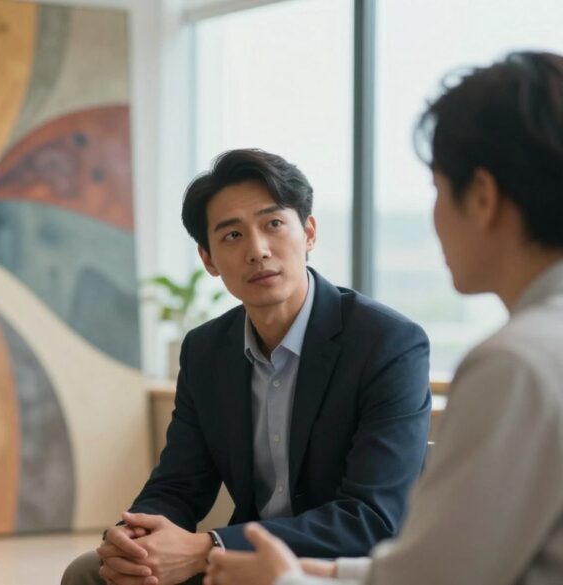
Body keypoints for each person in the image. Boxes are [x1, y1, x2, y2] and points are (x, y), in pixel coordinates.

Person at [205, 50, 563, 585]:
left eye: (437, 189)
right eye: (233, 234)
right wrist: (323, 572)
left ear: (482, 198)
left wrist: (285, 581)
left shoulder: (515, 363)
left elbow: (439, 579)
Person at [62, 149, 432, 585]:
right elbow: (179, 484)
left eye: (273, 224)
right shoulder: (205, 351)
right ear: (209, 259)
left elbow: (371, 519)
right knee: (93, 572)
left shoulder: (387, 344)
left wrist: (209, 548)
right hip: (240, 565)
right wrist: (134, 540)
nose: (257, 250)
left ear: (309, 233)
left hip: (333, 569)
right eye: (233, 235)